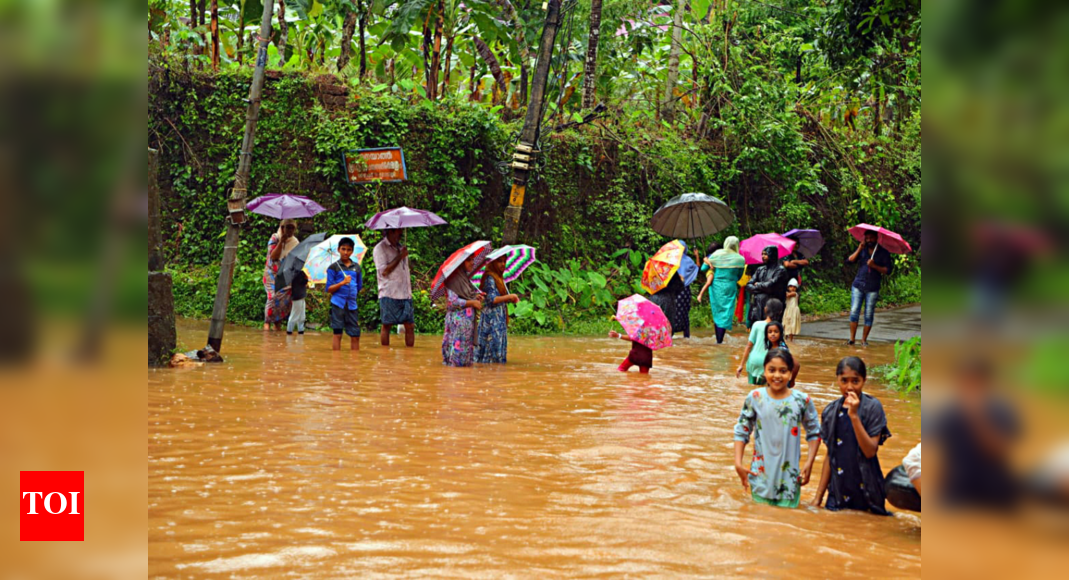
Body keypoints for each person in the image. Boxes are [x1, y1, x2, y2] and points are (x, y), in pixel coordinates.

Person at [734, 348, 821, 508]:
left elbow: (814, 432)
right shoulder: (755, 398)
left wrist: (809, 462)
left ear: (790, 373)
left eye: (783, 371)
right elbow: (742, 430)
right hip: (760, 476)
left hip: (789, 479)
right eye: (772, 370)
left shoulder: (802, 401)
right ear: (764, 371)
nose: (777, 376)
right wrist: (738, 463)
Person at [811, 357, 892, 515]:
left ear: (864, 380)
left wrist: (854, 416)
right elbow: (830, 456)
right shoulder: (830, 412)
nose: (849, 387)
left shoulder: (872, 408)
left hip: (868, 493)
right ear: (837, 380)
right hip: (837, 493)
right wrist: (818, 498)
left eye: (855, 381)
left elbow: (870, 451)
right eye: (844, 381)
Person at [846, 231, 892, 345]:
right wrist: (859, 248)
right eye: (867, 238)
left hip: (873, 287)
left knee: (868, 314)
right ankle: (852, 339)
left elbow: (888, 270)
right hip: (858, 284)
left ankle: (863, 340)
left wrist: (874, 266)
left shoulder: (883, 252)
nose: (869, 240)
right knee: (854, 311)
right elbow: (850, 260)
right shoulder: (862, 249)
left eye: (871, 238)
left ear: (876, 238)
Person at [698, 236, 746, 344]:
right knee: (726, 311)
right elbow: (739, 276)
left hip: (716, 287)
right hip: (730, 287)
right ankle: (720, 339)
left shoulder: (716, 255)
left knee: (717, 311)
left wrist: (709, 263)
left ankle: (718, 340)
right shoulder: (740, 259)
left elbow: (703, 268)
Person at [373, 228, 415, 347]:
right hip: (389, 293)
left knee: (410, 326)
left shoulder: (400, 247)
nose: (401, 234)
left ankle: (410, 357)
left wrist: (403, 254)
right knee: (387, 325)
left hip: (405, 293)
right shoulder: (379, 248)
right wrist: (400, 256)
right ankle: (385, 358)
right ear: (390, 232)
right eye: (398, 232)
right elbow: (384, 271)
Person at [474, 255, 520, 364]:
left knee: (497, 347)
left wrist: (509, 299)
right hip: (491, 320)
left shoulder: (499, 277)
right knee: (491, 347)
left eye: (504, 261)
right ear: (493, 263)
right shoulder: (489, 277)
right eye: (499, 261)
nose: (503, 264)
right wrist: (508, 297)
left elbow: (499, 298)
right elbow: (491, 299)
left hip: (499, 318)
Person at [442, 256, 485, 367]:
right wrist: (472, 303)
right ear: (461, 262)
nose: (472, 262)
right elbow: (452, 301)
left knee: (465, 360)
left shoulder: (465, 278)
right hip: (458, 323)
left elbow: (466, 296)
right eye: (469, 260)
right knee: (456, 361)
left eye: (472, 259)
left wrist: (476, 297)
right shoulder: (452, 279)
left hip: (467, 324)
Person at [735, 298, 784, 384]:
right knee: (762, 391)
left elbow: (749, 346)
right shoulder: (778, 328)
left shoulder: (757, 325)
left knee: (751, 388)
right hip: (767, 362)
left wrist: (741, 365)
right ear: (780, 312)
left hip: (753, 360)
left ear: (765, 309)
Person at [326, 237, 363, 351]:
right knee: (337, 333)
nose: (346, 252)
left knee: (355, 335)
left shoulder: (357, 267)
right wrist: (342, 283)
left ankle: (354, 362)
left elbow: (359, 286)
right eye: (343, 249)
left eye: (348, 250)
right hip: (338, 304)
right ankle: (336, 363)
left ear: (352, 251)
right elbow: (329, 289)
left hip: (352, 305)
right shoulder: (333, 267)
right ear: (338, 250)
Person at [264, 219, 299, 331]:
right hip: (271, 273)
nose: (289, 230)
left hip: (285, 275)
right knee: (272, 297)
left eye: (292, 228)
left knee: (283, 300)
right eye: (287, 227)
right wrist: (281, 242)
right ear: (282, 228)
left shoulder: (295, 242)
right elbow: (273, 257)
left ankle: (277, 324)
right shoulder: (275, 238)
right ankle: (267, 323)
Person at [746, 246, 790, 328]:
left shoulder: (780, 270)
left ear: (772, 255)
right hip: (757, 305)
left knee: (772, 331)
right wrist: (762, 287)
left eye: (765, 254)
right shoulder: (760, 269)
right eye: (762, 254)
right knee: (757, 330)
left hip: (773, 306)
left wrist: (758, 284)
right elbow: (748, 286)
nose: (763, 256)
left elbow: (770, 287)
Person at [674, 242, 699, 339]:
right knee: (685, 313)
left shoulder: (672, 259)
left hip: (674, 290)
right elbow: (697, 267)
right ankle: (686, 336)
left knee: (673, 311)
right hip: (685, 291)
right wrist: (696, 256)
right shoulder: (689, 260)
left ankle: (670, 335)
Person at [286, 269, 308, 335]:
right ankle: (289, 331)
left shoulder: (296, 271)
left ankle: (300, 331)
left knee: (302, 315)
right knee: (294, 314)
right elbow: (302, 281)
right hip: (298, 296)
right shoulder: (297, 272)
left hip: (300, 295)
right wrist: (306, 278)